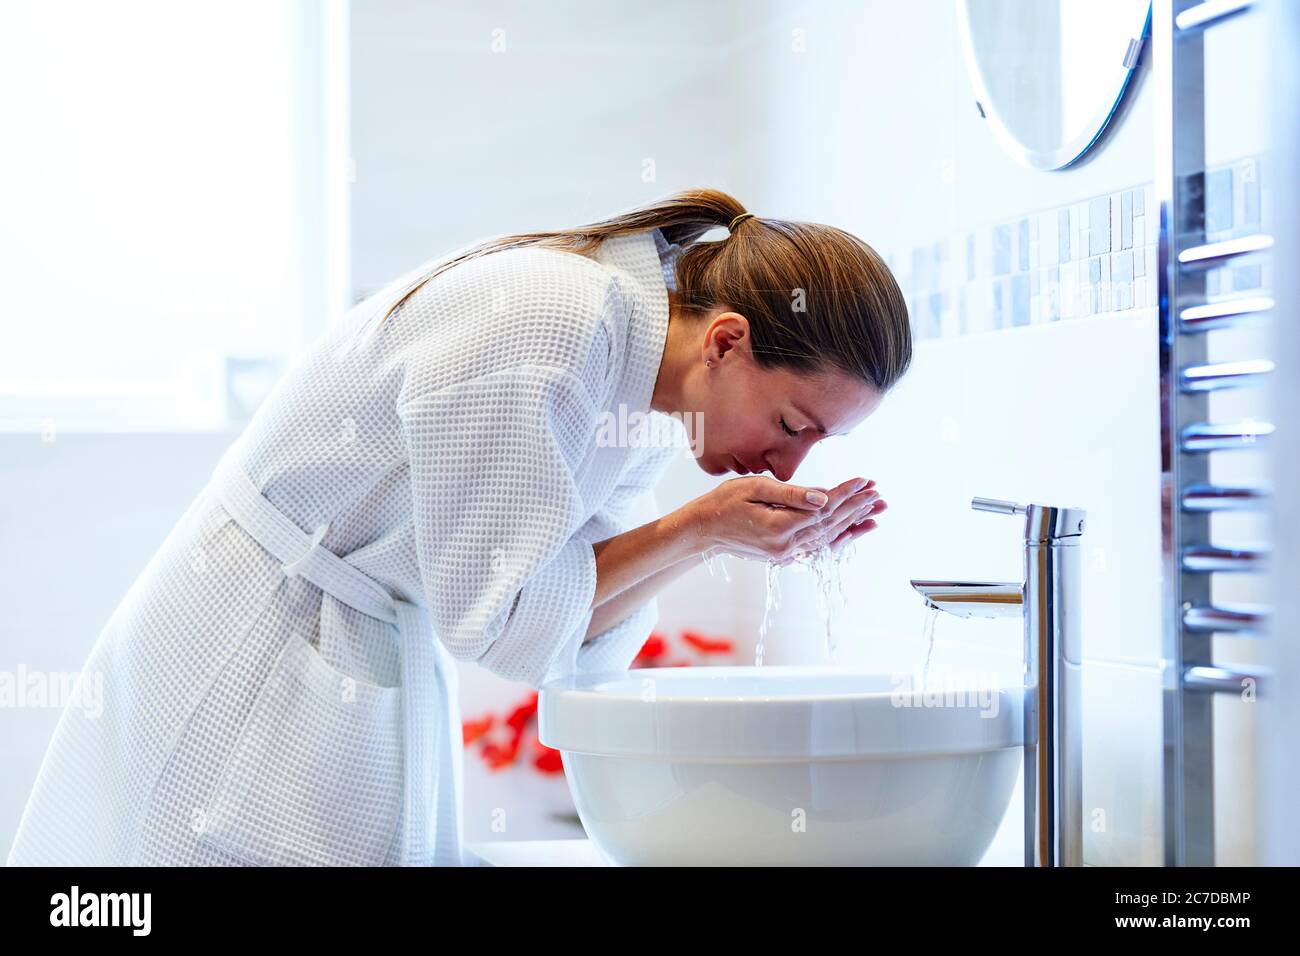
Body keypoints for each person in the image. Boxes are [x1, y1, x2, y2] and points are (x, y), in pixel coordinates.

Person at [6, 188, 910, 867]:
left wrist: (705, 533)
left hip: (353, 647)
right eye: (794, 426)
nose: (788, 468)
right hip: (253, 647)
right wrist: (699, 528)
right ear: (726, 342)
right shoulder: (554, 325)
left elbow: (570, 645)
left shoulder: (639, 400)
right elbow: (502, 626)